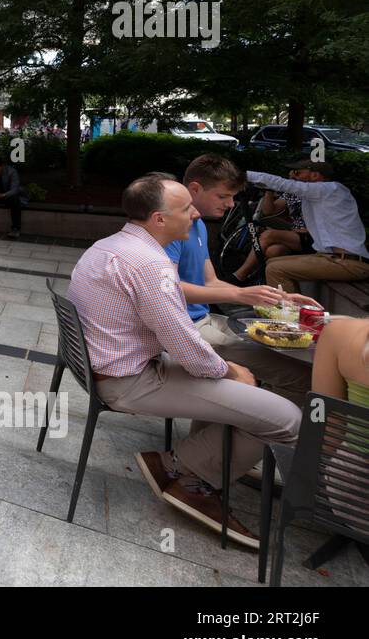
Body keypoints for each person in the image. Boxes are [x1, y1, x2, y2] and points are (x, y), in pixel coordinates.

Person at [68, 172, 301, 548]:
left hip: (114, 369)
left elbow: (180, 339)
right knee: (287, 418)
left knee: (233, 385)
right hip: (129, 381)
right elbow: (185, 345)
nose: (195, 214)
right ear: (159, 219)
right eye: (186, 208)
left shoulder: (109, 245)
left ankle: (187, 462)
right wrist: (231, 370)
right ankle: (187, 475)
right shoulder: (150, 264)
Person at [166, 155, 321, 406]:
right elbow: (167, 289)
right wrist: (239, 295)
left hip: (204, 320)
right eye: (223, 196)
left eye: (233, 197)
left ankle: (226, 437)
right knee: (306, 378)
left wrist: (271, 296)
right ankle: (259, 437)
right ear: (194, 189)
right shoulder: (172, 226)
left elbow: (210, 281)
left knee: (278, 354)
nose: (230, 204)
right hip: (185, 331)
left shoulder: (199, 225)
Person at [244, 161, 369, 292]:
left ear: (315, 175)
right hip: (331, 258)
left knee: (275, 269)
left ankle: (290, 311)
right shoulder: (313, 197)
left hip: (350, 262)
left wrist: (241, 175)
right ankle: (295, 306)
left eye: (297, 173)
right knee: (272, 263)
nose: (292, 176)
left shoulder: (331, 189)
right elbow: (271, 209)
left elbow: (283, 184)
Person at [230, 167, 314, 283]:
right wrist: (269, 191)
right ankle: (264, 280)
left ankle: (240, 275)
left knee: (268, 235)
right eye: (292, 173)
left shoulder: (314, 191)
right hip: (296, 237)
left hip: (311, 237)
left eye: (297, 173)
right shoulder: (292, 193)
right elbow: (269, 211)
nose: (293, 176)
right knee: (273, 251)